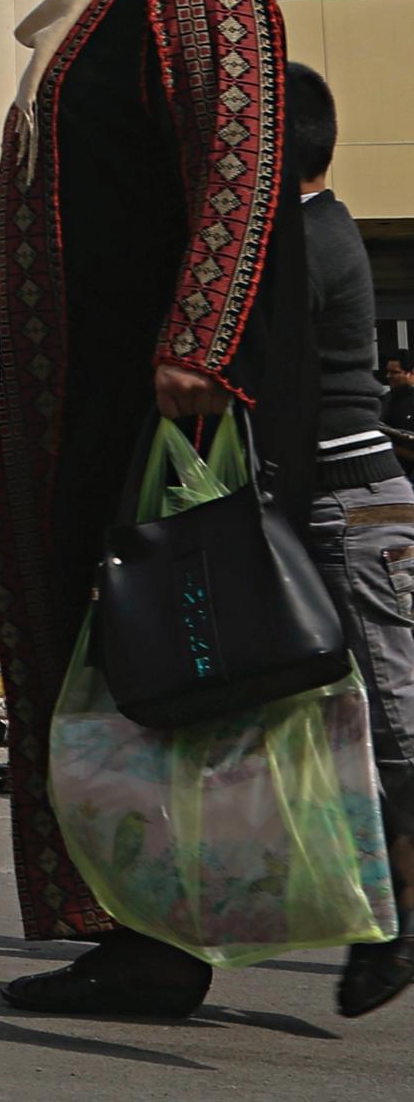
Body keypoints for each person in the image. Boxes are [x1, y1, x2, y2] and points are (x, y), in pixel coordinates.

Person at [0, 0, 322, 1019]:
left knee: (162, 662)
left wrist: (197, 348)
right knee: (99, 662)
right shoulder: (101, 7)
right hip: (85, 406)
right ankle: (132, 928)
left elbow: (240, 170)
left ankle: (168, 941)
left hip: (162, 403)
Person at [284, 62, 414, 1017]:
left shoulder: (303, 240)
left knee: (397, 734)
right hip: (342, 508)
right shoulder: (318, 228)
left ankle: (400, 929)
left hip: (353, 510)